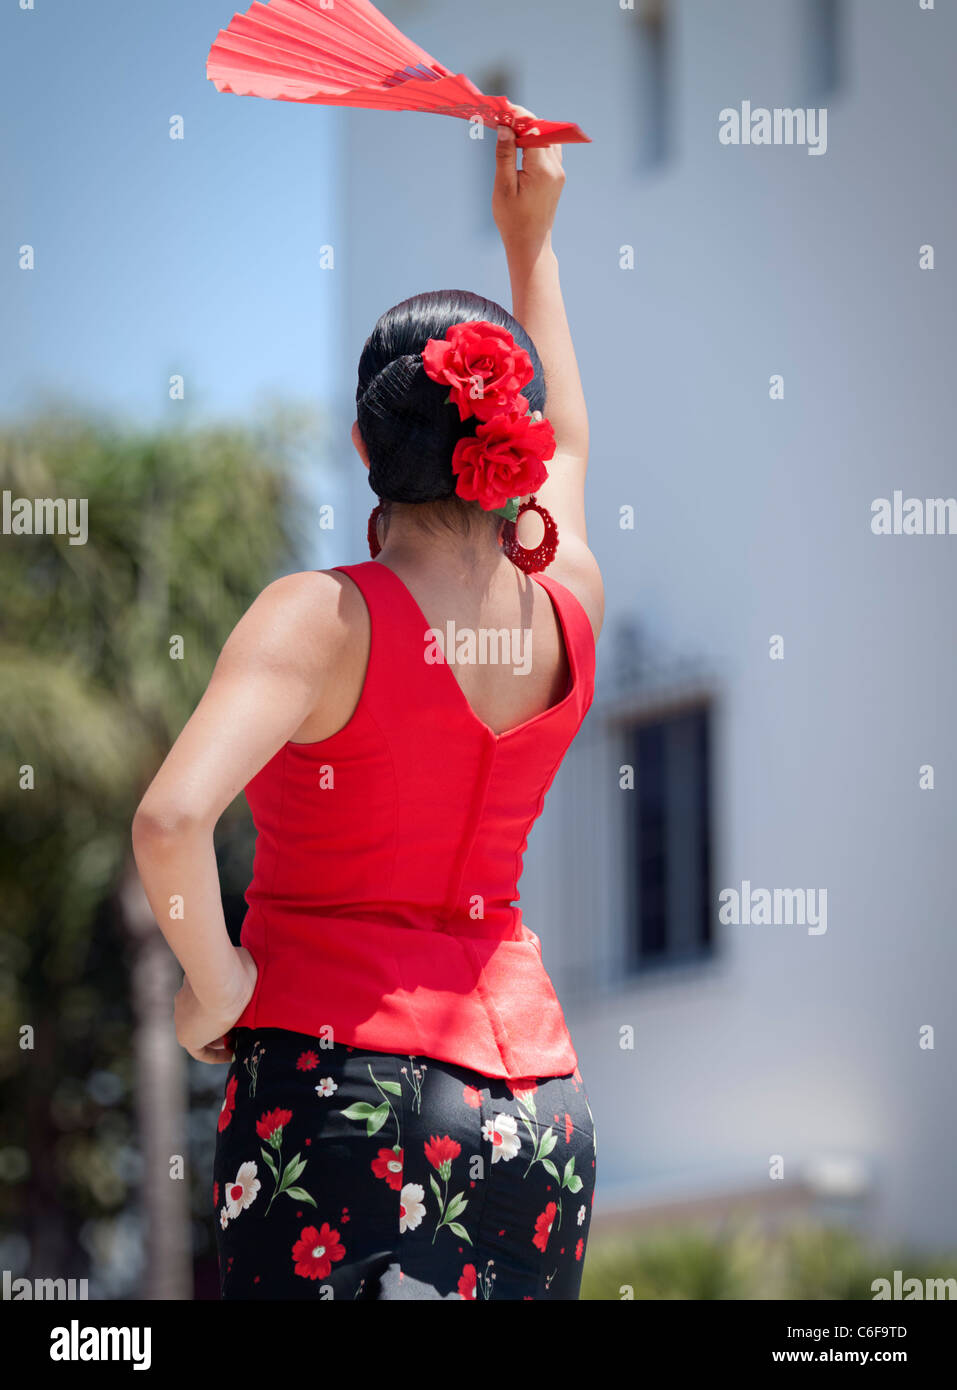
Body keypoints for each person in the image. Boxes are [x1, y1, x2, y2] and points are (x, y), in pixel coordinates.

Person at [132, 110, 604, 1301]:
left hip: (338, 1097)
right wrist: (531, 243)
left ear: (362, 447)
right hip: (534, 1114)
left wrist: (218, 988)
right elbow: (578, 457)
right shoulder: (570, 604)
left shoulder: (322, 619)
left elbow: (170, 821)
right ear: (514, 452)